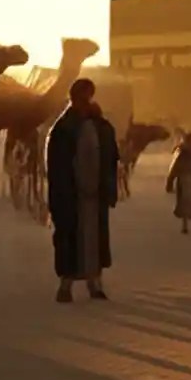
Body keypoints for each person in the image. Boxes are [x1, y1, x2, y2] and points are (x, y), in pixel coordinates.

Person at [46, 79, 119, 303]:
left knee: (94, 240)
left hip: (94, 195)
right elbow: (56, 165)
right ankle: (65, 286)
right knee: (69, 238)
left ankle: (94, 283)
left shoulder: (99, 125)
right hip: (71, 195)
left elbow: (110, 156)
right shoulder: (63, 128)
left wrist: (107, 186)